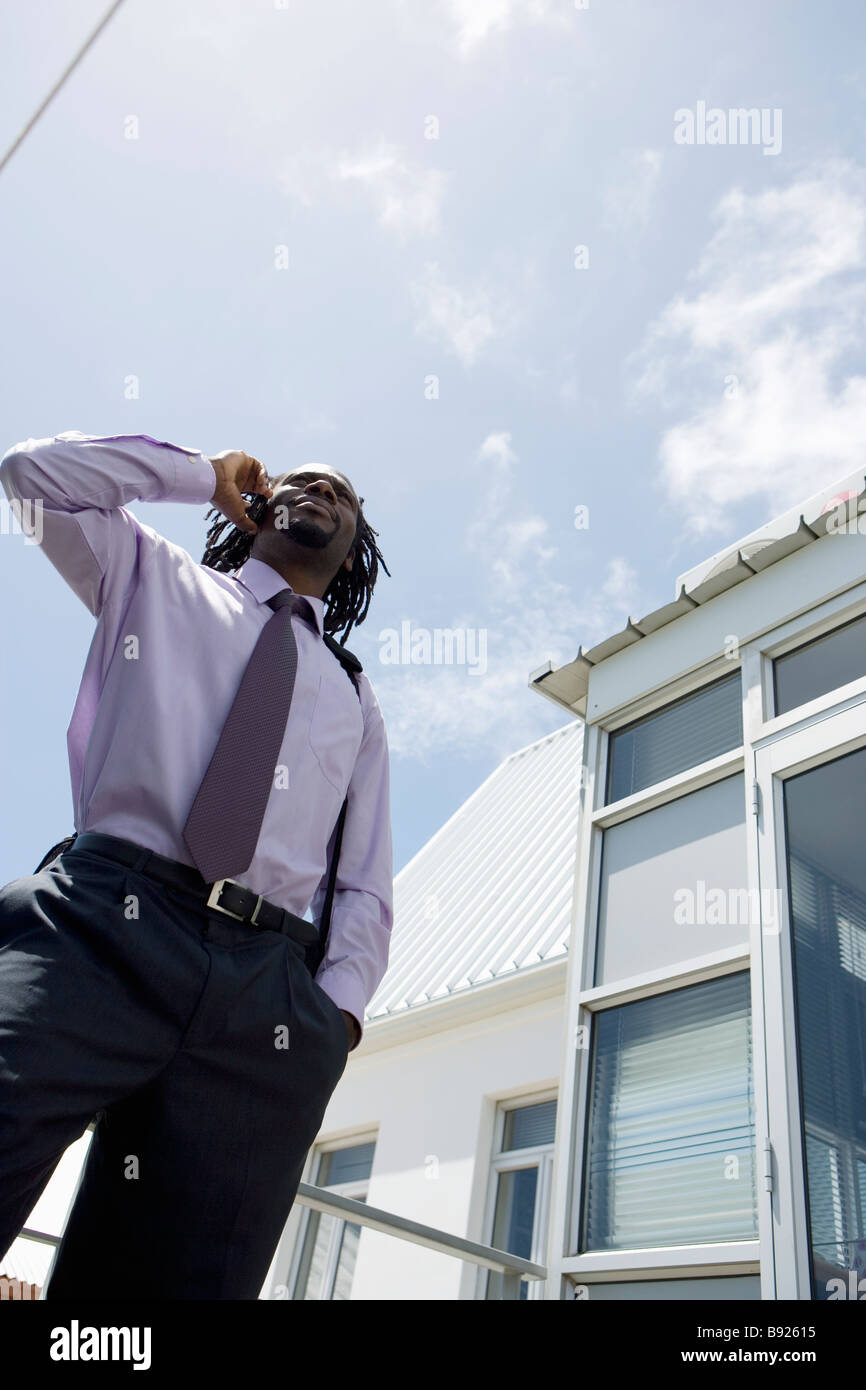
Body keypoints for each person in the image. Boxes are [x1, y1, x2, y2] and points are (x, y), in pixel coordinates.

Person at [0, 431, 394, 1299]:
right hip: (100, 923)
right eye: (302, 477)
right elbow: (32, 478)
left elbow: (363, 877)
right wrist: (200, 477)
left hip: (268, 1000)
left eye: (343, 490)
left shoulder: (356, 697)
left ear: (356, 544)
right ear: (255, 510)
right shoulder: (155, 577)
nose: (321, 483)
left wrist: (336, 1020)